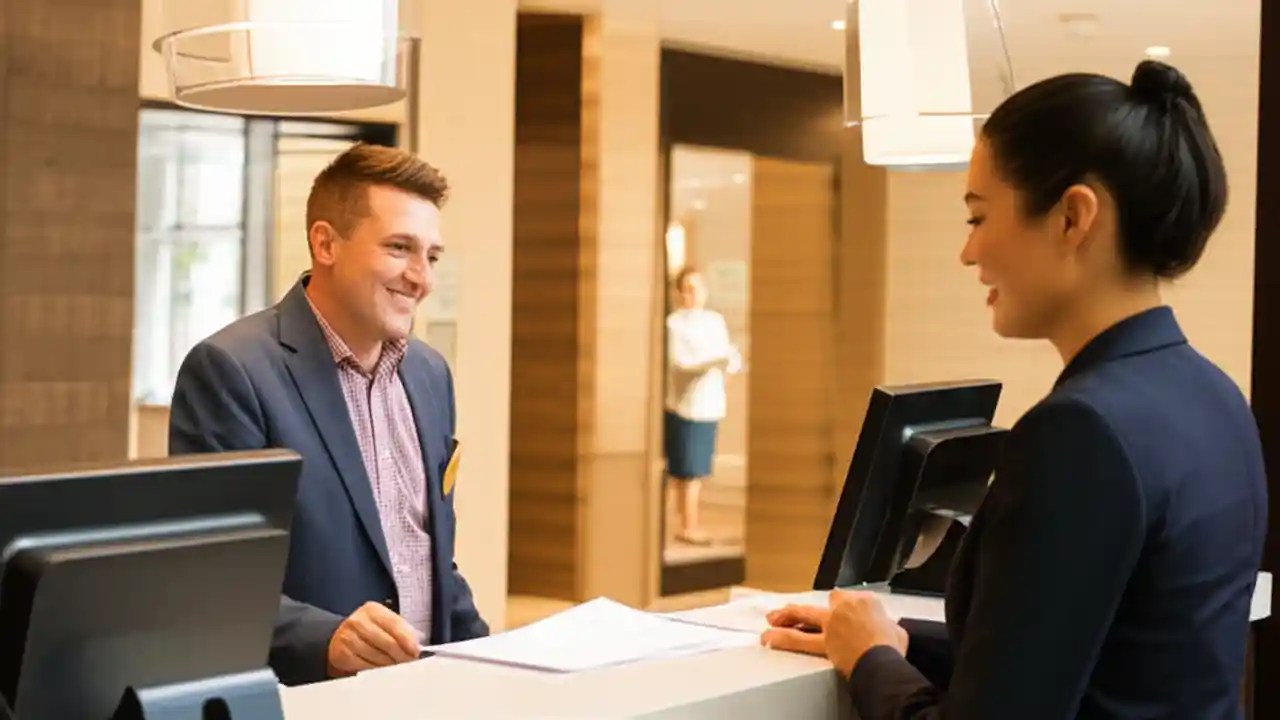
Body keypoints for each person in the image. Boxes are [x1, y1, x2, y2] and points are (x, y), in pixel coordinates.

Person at [764, 60, 1267, 719]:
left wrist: (872, 663)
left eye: (978, 218)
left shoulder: (1080, 432)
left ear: (1073, 217)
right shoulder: (1215, 398)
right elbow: (1104, 657)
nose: (968, 254)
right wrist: (889, 638)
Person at [169, 143, 488, 686]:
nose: (422, 278)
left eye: (431, 256)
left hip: (426, 694)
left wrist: (498, 666)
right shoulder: (232, 370)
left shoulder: (431, 375)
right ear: (325, 244)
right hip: (309, 699)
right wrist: (325, 640)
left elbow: (427, 557)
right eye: (399, 248)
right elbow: (209, 579)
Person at [665, 267, 742, 545]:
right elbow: (681, 362)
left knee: (696, 469)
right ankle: (688, 525)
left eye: (697, 288)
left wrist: (727, 363)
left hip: (709, 403)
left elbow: (729, 356)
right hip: (685, 404)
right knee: (686, 471)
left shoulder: (714, 321)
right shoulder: (673, 324)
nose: (693, 295)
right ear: (678, 293)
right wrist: (714, 361)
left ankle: (688, 524)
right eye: (687, 289)